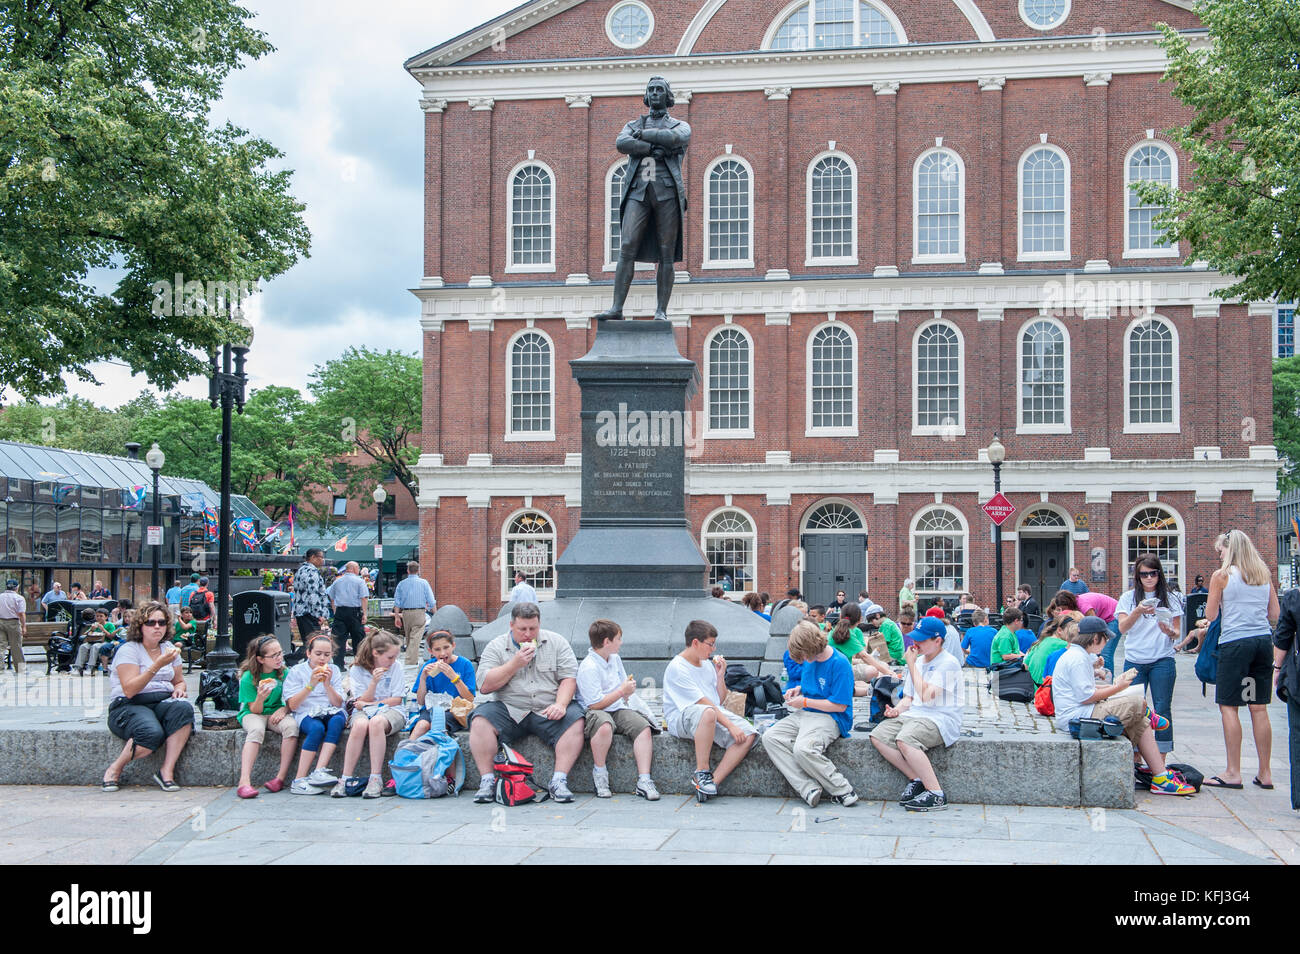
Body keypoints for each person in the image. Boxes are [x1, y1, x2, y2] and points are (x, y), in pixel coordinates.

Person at [1051, 617, 1194, 796]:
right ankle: (1148, 713)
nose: (1106, 642)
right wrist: (1119, 688)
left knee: (1141, 722)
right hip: (1079, 716)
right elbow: (1086, 696)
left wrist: (1115, 689)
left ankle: (1161, 777)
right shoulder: (1078, 658)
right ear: (1096, 639)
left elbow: (1087, 689)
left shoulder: (1078, 655)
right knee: (1135, 701)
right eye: (1105, 638)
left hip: (1082, 712)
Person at [469, 601, 584, 804]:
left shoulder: (557, 642)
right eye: (523, 629)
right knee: (480, 719)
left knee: (576, 719)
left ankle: (559, 780)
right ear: (512, 625)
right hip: (511, 708)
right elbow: (484, 686)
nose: (528, 634)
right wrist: (515, 663)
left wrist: (561, 704)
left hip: (547, 706)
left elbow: (568, 678)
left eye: (533, 628)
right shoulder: (496, 646)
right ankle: (487, 781)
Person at [1201, 530, 1279, 790]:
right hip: (1261, 644)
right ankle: (1265, 773)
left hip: (1235, 645)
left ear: (1229, 550)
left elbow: (1210, 614)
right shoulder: (1263, 575)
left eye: (1220, 551)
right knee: (1258, 707)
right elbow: (1274, 614)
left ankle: (1233, 771)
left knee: (1229, 706)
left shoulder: (1221, 576)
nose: (1219, 555)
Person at [869, 614, 965, 811]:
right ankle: (917, 778)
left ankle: (936, 793)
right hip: (914, 714)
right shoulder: (919, 662)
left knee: (905, 739)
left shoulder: (949, 663)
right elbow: (909, 698)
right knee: (878, 735)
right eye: (915, 638)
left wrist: (911, 664)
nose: (915, 643)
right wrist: (896, 710)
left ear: (937, 641)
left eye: (921, 639)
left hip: (941, 719)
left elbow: (928, 695)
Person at [765, 620, 859, 807]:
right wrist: (799, 690)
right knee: (770, 737)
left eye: (803, 655)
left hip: (830, 716)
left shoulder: (839, 664)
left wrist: (805, 701)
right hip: (806, 712)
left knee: (803, 749)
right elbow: (812, 686)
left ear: (810, 648)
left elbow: (839, 706)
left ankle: (843, 789)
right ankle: (808, 787)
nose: (803, 660)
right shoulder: (811, 659)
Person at [101, 602, 193, 792]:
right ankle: (115, 768)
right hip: (129, 704)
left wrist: (180, 689)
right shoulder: (129, 650)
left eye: (161, 622)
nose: (157, 627)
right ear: (140, 626)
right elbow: (130, 690)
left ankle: (166, 771)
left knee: (184, 708)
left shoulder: (168, 649)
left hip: (161, 700)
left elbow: (179, 680)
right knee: (151, 733)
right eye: (151, 623)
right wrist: (157, 665)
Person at [663, 619, 757, 802]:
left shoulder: (706, 664)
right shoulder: (678, 668)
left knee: (748, 733)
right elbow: (703, 703)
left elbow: (719, 700)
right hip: (682, 717)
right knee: (707, 712)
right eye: (710, 644)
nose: (713, 649)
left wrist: (720, 676)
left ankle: (711, 784)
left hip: (709, 714)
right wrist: (730, 726)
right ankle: (702, 771)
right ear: (696, 642)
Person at [575, 619, 659, 800]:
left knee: (642, 727)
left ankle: (644, 780)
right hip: (596, 710)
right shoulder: (588, 667)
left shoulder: (615, 658)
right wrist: (622, 691)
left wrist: (627, 690)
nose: (621, 643)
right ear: (607, 642)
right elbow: (594, 704)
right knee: (604, 725)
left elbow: (622, 683)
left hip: (617, 707)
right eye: (618, 639)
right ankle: (600, 774)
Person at [1116, 555, 1181, 755]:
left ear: (1159, 574)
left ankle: (1161, 759)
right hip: (1135, 659)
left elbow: (1178, 632)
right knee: (1135, 709)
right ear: (1138, 576)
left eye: (1153, 573)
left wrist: (1169, 632)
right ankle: (1135, 756)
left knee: (1162, 708)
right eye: (1144, 574)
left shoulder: (1171, 598)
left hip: (1162, 658)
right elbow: (1122, 628)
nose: (1149, 578)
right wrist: (1137, 611)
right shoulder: (1128, 598)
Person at [335, 631, 406, 798]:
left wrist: (372, 704)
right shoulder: (358, 669)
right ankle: (345, 777)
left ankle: (376, 777)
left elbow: (397, 699)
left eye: (395, 657)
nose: (393, 661)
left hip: (391, 711)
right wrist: (373, 683)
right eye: (389, 657)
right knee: (359, 725)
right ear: (376, 653)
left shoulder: (396, 668)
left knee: (376, 723)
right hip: (364, 710)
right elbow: (360, 700)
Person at [235, 635, 300, 798]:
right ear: (260, 659)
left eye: (280, 653)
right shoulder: (249, 678)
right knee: (256, 730)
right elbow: (254, 710)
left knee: (291, 727)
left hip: (276, 711)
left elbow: (291, 699)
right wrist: (260, 697)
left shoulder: (284, 673)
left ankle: (280, 778)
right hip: (253, 712)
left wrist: (285, 709)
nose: (279, 658)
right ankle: (244, 781)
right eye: (274, 655)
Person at [283, 633, 346, 794]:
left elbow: (338, 703)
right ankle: (299, 779)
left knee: (337, 721)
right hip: (306, 712)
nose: (322, 659)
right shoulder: (297, 671)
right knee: (316, 728)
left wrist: (327, 685)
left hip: (329, 709)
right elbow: (293, 705)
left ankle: (319, 770)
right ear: (308, 653)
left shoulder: (334, 671)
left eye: (327, 655)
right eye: (318, 654)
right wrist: (311, 684)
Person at [410, 628, 477, 739]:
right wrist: (423, 679)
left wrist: (454, 677)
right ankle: (405, 753)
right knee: (421, 726)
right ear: (430, 651)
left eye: (446, 647)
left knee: (436, 725)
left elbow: (469, 698)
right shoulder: (428, 667)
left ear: (453, 646)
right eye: (437, 649)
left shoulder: (465, 664)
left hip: (455, 711)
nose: (443, 653)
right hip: (431, 709)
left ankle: (437, 754)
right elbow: (421, 701)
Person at [1272, 585, 1300, 812]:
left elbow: (1282, 636)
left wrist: (1277, 668)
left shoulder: (1295, 596)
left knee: (1298, 735)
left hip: (1298, 679)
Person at [392, 560, 437, 667]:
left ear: (408, 570)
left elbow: (397, 601)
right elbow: (431, 600)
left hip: (406, 613)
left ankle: (411, 659)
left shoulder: (401, 584)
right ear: (418, 571)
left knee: (409, 637)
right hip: (419, 612)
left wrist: (397, 616)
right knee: (415, 638)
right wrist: (436, 614)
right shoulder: (424, 583)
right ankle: (410, 661)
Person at [326, 561, 368, 669]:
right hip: (355, 611)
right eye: (358, 568)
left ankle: (338, 665)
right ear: (354, 569)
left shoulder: (337, 581)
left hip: (340, 611)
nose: (359, 570)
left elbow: (331, 597)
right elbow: (364, 598)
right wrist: (365, 613)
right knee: (358, 639)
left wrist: (335, 610)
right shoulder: (359, 581)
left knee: (338, 639)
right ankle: (359, 663)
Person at [291, 549, 328, 648]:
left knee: (309, 643)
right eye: (321, 557)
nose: (323, 560)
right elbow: (313, 594)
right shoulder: (311, 572)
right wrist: (319, 614)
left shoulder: (301, 570)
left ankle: (302, 661)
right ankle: (290, 658)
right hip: (310, 613)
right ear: (312, 557)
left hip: (301, 612)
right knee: (313, 644)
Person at [75, 608, 119, 675]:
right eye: (97, 616)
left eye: (101, 616)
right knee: (83, 646)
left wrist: (103, 629)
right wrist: (91, 630)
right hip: (93, 641)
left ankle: (90, 667)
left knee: (95, 647)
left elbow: (111, 636)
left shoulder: (110, 625)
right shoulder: (95, 624)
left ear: (106, 617)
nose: (98, 618)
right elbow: (85, 635)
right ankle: (78, 667)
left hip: (105, 642)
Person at [0, 579, 28, 675]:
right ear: (17, 587)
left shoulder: (0, 597)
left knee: (1, 646)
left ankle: (0, 668)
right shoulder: (19, 598)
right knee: (16, 647)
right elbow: (21, 614)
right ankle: (21, 670)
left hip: (0, 622)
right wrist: (24, 626)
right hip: (13, 623)